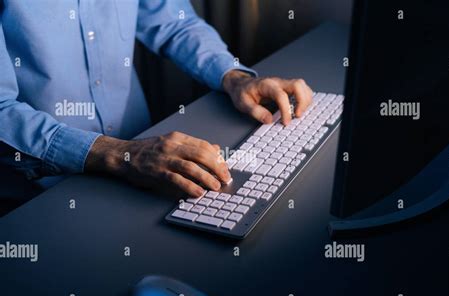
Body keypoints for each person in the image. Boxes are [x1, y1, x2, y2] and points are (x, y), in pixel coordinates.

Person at [0, 0, 313, 200]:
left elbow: (175, 23)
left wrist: (235, 78)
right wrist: (120, 154)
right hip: (40, 194)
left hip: (150, 163)